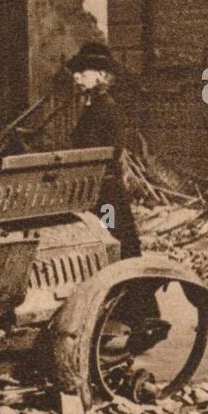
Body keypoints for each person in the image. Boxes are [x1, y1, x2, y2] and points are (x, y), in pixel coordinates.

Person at [67, 42, 141, 259]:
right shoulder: (93, 107)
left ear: (101, 74)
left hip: (106, 193)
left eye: (82, 72)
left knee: (112, 238)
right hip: (93, 189)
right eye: (75, 72)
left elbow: (113, 151)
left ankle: (129, 289)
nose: (76, 77)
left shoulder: (108, 109)